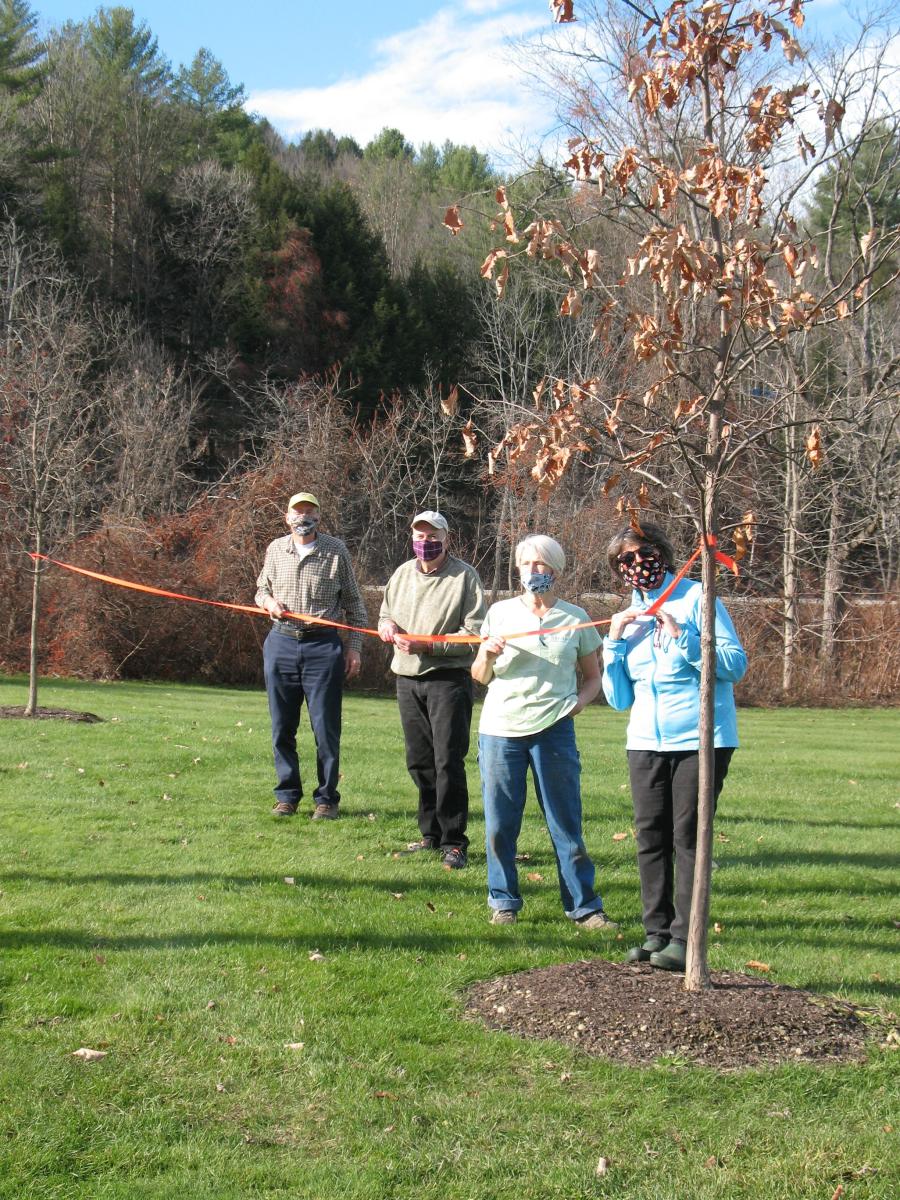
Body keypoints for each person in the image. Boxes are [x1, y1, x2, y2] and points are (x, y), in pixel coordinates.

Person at [601, 522, 747, 971]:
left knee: (687, 836)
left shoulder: (697, 598)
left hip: (701, 740)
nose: (636, 565)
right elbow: (620, 699)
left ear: (661, 552)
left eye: (642, 554)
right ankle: (656, 933)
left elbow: (734, 665)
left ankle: (685, 937)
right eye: (624, 561)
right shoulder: (632, 614)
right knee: (649, 837)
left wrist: (684, 636)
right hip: (645, 741)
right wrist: (614, 645)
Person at [471, 534, 616, 928]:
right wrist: (485, 653)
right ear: (517, 570)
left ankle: (584, 907)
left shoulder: (576, 617)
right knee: (501, 823)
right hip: (501, 730)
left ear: (556, 569)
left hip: (554, 731)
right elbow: (480, 677)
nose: (533, 572)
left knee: (565, 822)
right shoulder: (499, 613)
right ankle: (503, 901)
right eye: (526, 565)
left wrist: (580, 702)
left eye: (542, 565)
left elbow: (592, 677)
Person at [378, 511, 486, 869]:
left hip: (447, 680)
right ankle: (430, 834)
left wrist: (428, 645)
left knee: (447, 761)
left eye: (432, 536)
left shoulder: (465, 577)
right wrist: (387, 625)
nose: (425, 543)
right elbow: (384, 614)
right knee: (420, 762)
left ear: (447, 538)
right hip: (407, 680)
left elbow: (473, 634)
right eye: (420, 536)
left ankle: (455, 841)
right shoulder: (401, 574)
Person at [255, 491, 367, 820]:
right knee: (281, 726)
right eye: (297, 511)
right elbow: (261, 588)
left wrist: (355, 648)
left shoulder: (335, 551)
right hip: (282, 644)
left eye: (310, 511)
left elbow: (356, 606)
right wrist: (268, 603)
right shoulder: (275, 549)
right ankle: (287, 795)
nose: (303, 517)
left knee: (325, 728)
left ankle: (327, 799)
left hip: (323, 648)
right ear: (287, 516)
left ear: (319, 516)